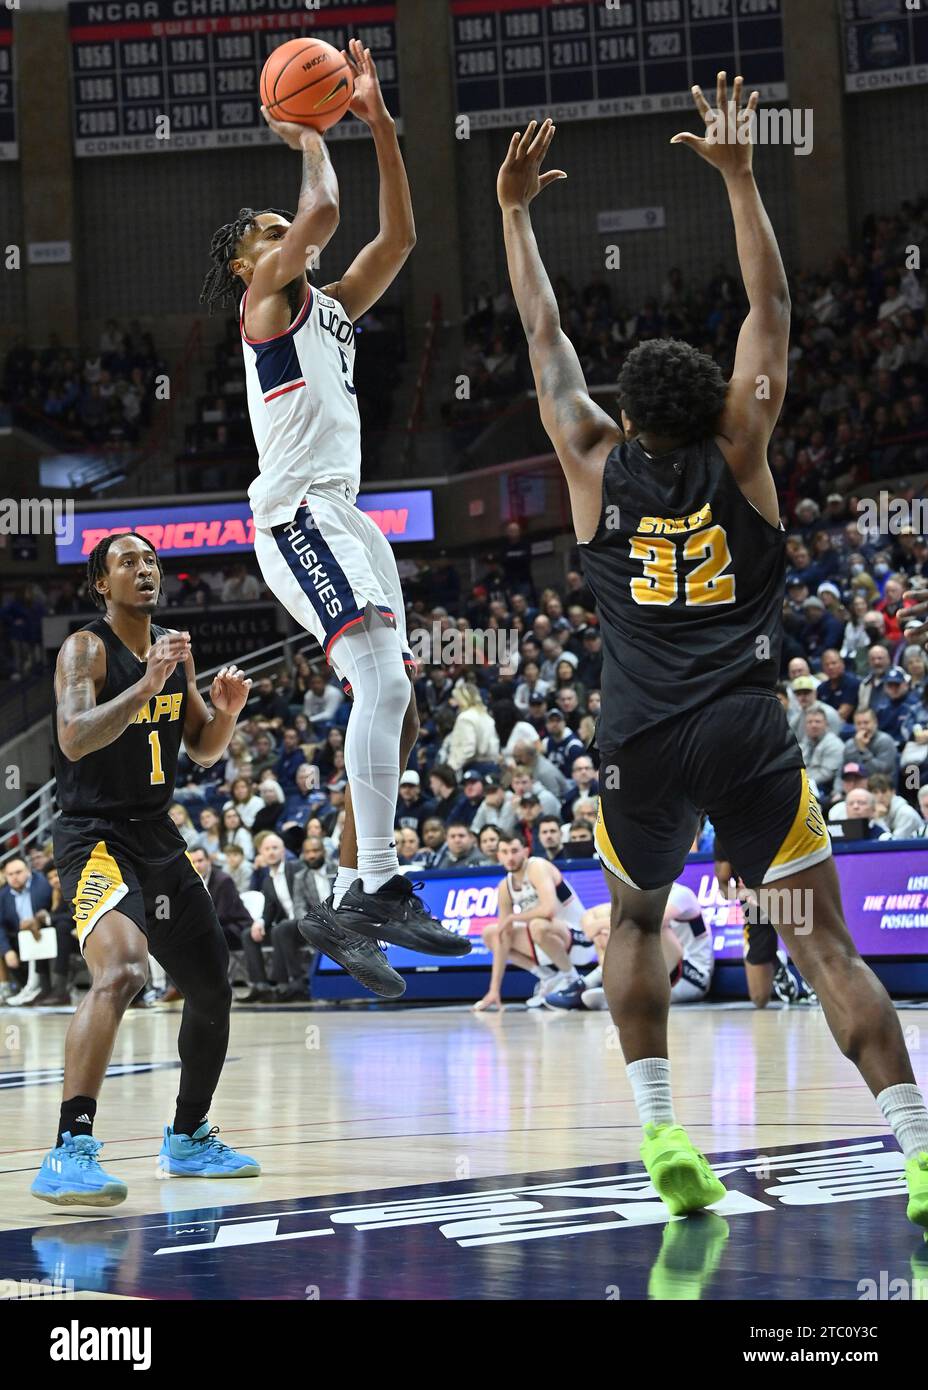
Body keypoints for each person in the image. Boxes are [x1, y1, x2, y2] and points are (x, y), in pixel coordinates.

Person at [497, 87, 928, 1226]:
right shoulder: (745, 452)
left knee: (634, 923)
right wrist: (739, 176)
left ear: (627, 420)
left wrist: (513, 217)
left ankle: (659, 1130)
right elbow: (772, 303)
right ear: (718, 405)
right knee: (821, 941)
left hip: (639, 739)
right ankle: (920, 1150)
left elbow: (545, 340)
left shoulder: (594, 457)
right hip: (745, 732)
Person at [200, 41, 465, 987]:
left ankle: (364, 889)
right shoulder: (267, 302)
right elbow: (322, 212)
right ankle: (371, 889)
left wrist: (384, 128)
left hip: (345, 516)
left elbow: (396, 241)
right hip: (296, 514)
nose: (287, 237)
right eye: (268, 233)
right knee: (380, 686)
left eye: (284, 231)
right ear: (248, 264)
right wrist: (311, 133)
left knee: (393, 698)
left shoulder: (333, 307)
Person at [32, 532, 260, 1208]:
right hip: (93, 835)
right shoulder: (86, 649)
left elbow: (202, 750)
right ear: (101, 583)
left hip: (158, 835)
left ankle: (188, 1138)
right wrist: (148, 685)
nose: (145, 570)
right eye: (127, 562)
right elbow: (74, 736)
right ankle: (70, 1148)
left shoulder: (170, 651)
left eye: (152, 560)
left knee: (213, 984)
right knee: (125, 970)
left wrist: (227, 714)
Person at [473, 834, 587, 1012]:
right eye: (505, 852)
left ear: (525, 851)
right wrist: (494, 990)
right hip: (549, 941)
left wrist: (513, 918)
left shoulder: (537, 867)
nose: (510, 857)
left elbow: (549, 910)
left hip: (580, 937)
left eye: (514, 851)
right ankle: (548, 977)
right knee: (492, 934)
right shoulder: (505, 886)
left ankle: (574, 981)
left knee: (537, 925)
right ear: (498, 856)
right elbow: (503, 937)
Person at [558, 883, 715, 1012]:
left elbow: (655, 920)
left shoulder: (681, 893)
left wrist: (600, 926)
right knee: (610, 918)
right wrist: (597, 926)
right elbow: (589, 915)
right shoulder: (643, 895)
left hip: (693, 977)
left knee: (649, 923)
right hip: (658, 974)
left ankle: (615, 993)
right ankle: (612, 988)